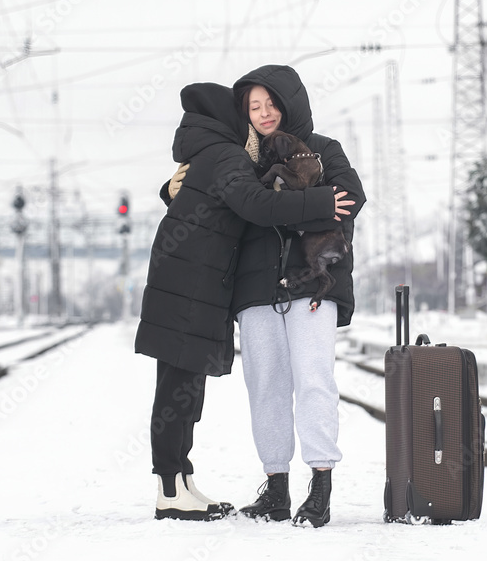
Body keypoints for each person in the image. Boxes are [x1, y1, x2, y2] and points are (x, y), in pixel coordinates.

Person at [135, 81, 353, 521]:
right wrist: (172, 189)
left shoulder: (324, 149)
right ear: (244, 114)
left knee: (313, 382)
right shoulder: (244, 156)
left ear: (290, 103)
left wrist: (313, 202)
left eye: (271, 102)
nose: (265, 112)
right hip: (255, 290)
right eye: (254, 106)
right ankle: (276, 489)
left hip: (312, 283)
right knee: (266, 388)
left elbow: (350, 200)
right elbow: (229, 199)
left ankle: (321, 486)